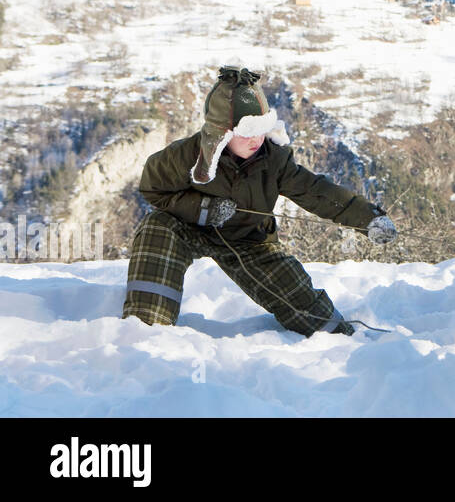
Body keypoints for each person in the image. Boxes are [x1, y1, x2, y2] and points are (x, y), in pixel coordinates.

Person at [120, 65, 396, 337]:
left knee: (312, 315)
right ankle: (145, 331)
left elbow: (316, 192)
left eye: (261, 129)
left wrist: (368, 218)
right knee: (156, 227)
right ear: (222, 133)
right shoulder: (187, 156)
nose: (256, 139)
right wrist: (204, 210)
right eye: (247, 131)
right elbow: (153, 189)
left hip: (250, 240)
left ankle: (341, 339)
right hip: (192, 229)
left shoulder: (274, 159)